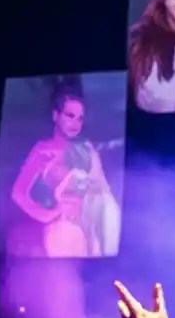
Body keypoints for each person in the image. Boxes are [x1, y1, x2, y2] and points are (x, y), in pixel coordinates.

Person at [8, 88, 120, 257]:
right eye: (70, 116)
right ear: (56, 116)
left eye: (80, 118)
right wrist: (46, 215)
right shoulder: (43, 150)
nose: (76, 123)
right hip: (64, 231)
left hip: (93, 227)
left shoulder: (87, 149)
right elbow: (18, 193)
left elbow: (103, 189)